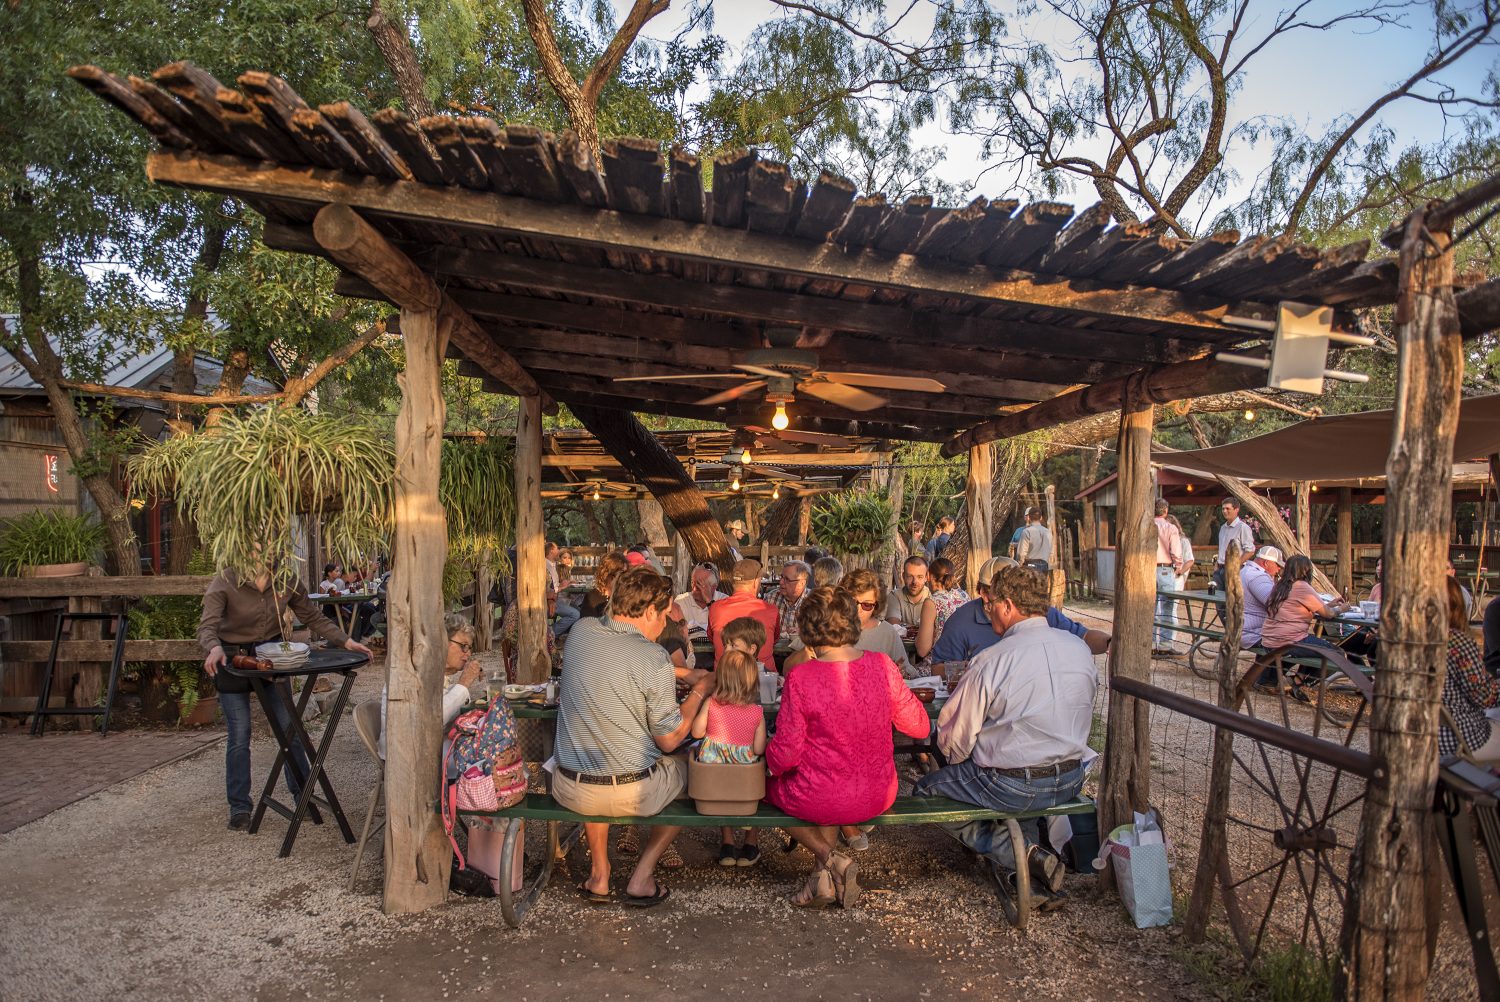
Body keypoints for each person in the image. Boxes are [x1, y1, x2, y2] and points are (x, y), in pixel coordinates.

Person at [913, 565, 1097, 913]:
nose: (988, 606)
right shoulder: (1078, 649)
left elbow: (955, 738)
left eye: (991, 602)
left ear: (1008, 606)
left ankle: (1019, 856)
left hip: (1012, 783)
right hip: (1072, 777)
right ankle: (1030, 872)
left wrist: (960, 757)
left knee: (926, 792)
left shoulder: (992, 659)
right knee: (1012, 786)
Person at [554, 567, 714, 907]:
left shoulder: (581, 631)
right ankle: (642, 875)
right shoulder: (652, 656)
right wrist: (699, 690)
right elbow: (669, 739)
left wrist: (681, 672)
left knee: (596, 745)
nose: (666, 622)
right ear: (650, 611)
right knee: (692, 767)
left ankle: (599, 874)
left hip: (568, 787)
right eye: (666, 613)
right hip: (628, 792)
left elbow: (618, 659)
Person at [766, 586, 930, 907]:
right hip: (878, 792)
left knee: (761, 787)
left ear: (807, 628)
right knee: (823, 788)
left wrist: (763, 761)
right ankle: (821, 882)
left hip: (823, 794)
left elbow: (785, 755)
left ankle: (832, 858)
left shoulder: (802, 677)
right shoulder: (883, 666)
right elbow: (919, 726)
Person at [198, 563, 373, 831]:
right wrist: (213, 648)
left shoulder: (286, 578)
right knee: (240, 734)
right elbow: (207, 626)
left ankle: (303, 797)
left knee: (289, 729)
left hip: (271, 658)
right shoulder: (226, 579)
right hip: (233, 659)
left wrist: (345, 641)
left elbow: (312, 616)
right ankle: (240, 807)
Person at [929, 557, 1111, 662]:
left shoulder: (1041, 614)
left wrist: (1111, 644)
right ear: (981, 592)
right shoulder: (961, 621)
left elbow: (1084, 637)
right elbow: (940, 667)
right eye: (989, 590)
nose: (990, 598)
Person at [691, 648, 768, 867]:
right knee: (758, 773)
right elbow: (760, 748)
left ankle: (727, 842)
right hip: (744, 788)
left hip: (713, 786)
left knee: (722, 784)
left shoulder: (711, 705)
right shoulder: (756, 712)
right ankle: (749, 841)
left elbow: (696, 733)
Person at [1442, 578, 1500, 762]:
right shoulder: (1458, 641)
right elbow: (1485, 697)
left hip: (1418, 735)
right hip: (1459, 740)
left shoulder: (1406, 640)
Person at [1259, 554, 1350, 657]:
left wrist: (1329, 604)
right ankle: (1312, 674)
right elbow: (1329, 614)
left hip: (1269, 642)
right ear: (1308, 571)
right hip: (1289, 642)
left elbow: (1294, 607)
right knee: (1338, 654)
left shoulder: (1279, 585)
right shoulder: (1302, 586)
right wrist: (1342, 609)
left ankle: (1304, 674)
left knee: (1315, 644)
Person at [708, 559, 779, 671]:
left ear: (733, 582)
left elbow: (713, 639)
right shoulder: (771, 610)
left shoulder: (715, 608)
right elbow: (773, 640)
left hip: (725, 678)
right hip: (762, 678)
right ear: (756, 582)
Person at [915, 557, 969, 660]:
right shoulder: (964, 595)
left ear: (929, 576)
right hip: (963, 662)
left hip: (939, 664)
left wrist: (918, 639)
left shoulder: (932, 602)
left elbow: (922, 650)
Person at [1152, 500, 1183, 655]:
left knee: (1148, 608)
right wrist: (1178, 566)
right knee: (1167, 608)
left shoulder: (1147, 525)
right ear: (1165, 511)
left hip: (1147, 568)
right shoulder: (1171, 528)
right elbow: (1176, 551)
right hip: (1164, 569)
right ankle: (1164, 644)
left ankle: (1149, 644)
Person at [1240, 545, 1284, 649]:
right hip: (1254, 633)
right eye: (1277, 565)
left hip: (1241, 629)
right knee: (1301, 643)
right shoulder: (1258, 577)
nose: (1279, 569)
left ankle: (1265, 665)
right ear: (1266, 563)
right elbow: (1274, 603)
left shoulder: (1244, 571)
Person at [674, 562, 726, 635]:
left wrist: (709, 601)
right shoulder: (681, 601)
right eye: (693, 583)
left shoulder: (725, 601)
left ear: (714, 586)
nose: (694, 589)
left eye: (700, 585)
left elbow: (724, 631)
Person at [1215, 499, 1256, 588]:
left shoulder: (1243, 528)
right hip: (1220, 569)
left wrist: (1236, 565)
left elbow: (1250, 550)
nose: (1224, 511)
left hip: (1234, 569)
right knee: (1218, 599)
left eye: (1227, 508)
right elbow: (1222, 549)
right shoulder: (1223, 528)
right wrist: (1216, 565)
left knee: (1232, 600)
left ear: (1236, 509)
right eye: (1223, 509)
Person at [769, 560, 812, 643]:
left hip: (804, 653)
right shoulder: (771, 598)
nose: (781, 582)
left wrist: (805, 632)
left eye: (787, 579)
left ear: (802, 583)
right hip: (775, 653)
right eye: (781, 577)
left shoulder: (814, 601)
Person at [578, 551, 629, 619]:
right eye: (621, 573)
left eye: (626, 573)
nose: (625, 577)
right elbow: (586, 625)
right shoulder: (592, 598)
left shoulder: (625, 595)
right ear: (607, 574)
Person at [545, 541, 580, 635]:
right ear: (551, 551)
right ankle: (550, 634)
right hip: (549, 601)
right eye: (557, 549)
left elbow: (555, 585)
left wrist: (565, 584)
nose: (559, 551)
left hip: (555, 599)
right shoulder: (545, 566)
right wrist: (561, 587)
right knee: (575, 614)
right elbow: (547, 589)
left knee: (580, 610)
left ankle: (568, 635)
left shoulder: (553, 565)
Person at [886, 555, 931, 628]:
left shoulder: (932, 597)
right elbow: (894, 627)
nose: (914, 582)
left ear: (926, 577)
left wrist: (903, 625)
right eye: (910, 576)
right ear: (903, 576)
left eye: (920, 577)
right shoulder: (894, 596)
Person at [1016, 508, 1052, 572]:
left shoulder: (1026, 531)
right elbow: (1051, 551)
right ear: (1041, 518)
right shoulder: (1048, 532)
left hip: (1030, 566)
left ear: (1029, 517)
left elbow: (1021, 553)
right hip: (1044, 565)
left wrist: (1020, 565)